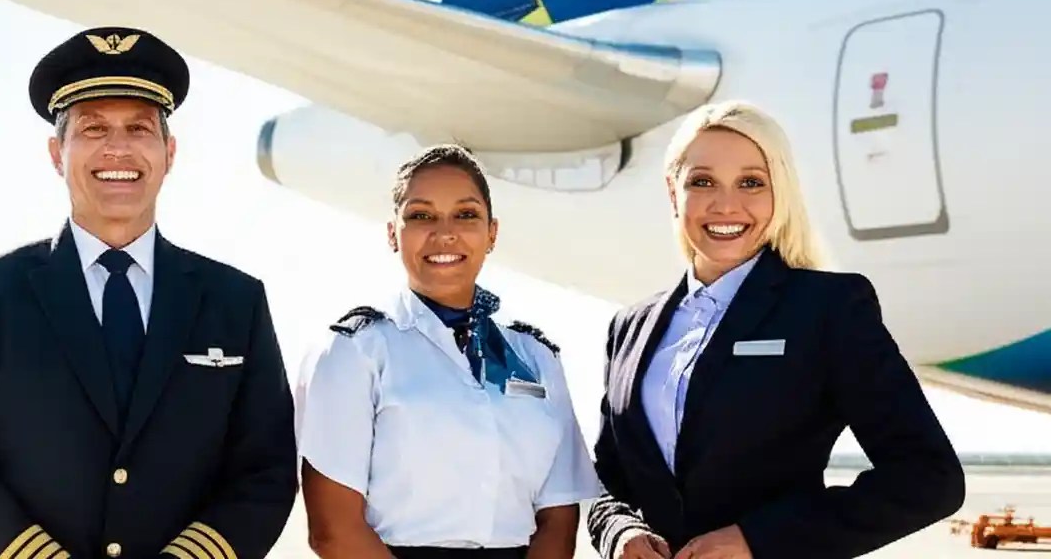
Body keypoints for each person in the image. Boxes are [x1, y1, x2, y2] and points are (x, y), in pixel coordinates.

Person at [0, 27, 298, 559]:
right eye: (92, 129)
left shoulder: (235, 302)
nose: (118, 147)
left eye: (139, 128)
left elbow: (264, 471)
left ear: (169, 151)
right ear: (56, 152)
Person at [586, 100, 965, 559]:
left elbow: (929, 477)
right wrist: (620, 533)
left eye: (751, 183)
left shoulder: (828, 308)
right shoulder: (629, 328)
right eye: (702, 182)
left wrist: (758, 540)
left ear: (778, 193)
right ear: (673, 193)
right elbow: (607, 479)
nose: (727, 204)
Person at [295, 144, 602, 559]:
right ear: (392, 234)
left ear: (492, 233)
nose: (445, 233)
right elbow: (333, 529)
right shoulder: (355, 351)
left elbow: (559, 519)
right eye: (421, 216)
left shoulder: (537, 358)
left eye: (466, 214)